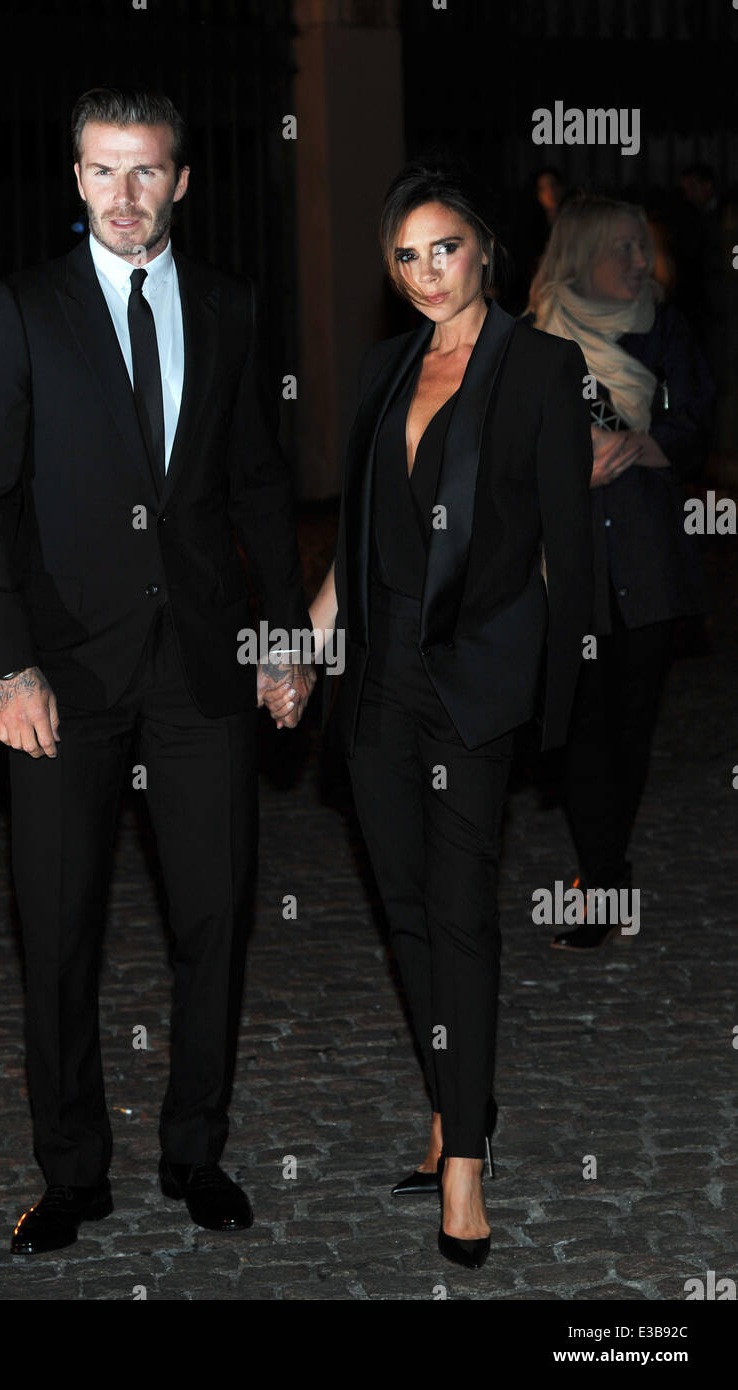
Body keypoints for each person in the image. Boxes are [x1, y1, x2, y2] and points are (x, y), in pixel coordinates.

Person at [0, 87, 315, 1254]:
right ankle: (71, 1172)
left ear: (181, 180)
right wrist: (6, 665)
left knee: (215, 920)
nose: (124, 195)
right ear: (71, 179)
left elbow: (256, 481)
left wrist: (284, 633)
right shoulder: (21, 312)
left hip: (203, 667)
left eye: (146, 171)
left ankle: (194, 1151)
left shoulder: (228, 305)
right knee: (57, 929)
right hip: (61, 675)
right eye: (102, 171)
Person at [280, 157, 593, 1269]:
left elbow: (567, 549)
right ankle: (448, 1098)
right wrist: (302, 648)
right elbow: (358, 540)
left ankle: (464, 1160)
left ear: (484, 250)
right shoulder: (380, 369)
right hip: (375, 681)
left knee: (458, 912)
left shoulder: (543, 371)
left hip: (473, 685)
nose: (423, 273)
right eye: (404, 257)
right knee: (403, 908)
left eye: (441, 248)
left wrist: (561, 706)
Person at [525, 194, 713, 949]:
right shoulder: (528, 340)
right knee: (575, 728)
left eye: (644, 248)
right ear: (579, 255)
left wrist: (649, 443)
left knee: (627, 729)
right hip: (563, 566)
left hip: (643, 558)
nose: (641, 263)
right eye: (624, 249)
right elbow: (498, 455)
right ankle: (599, 868)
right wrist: (569, 472)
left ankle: (601, 880)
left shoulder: (663, 329)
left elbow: (697, 417)